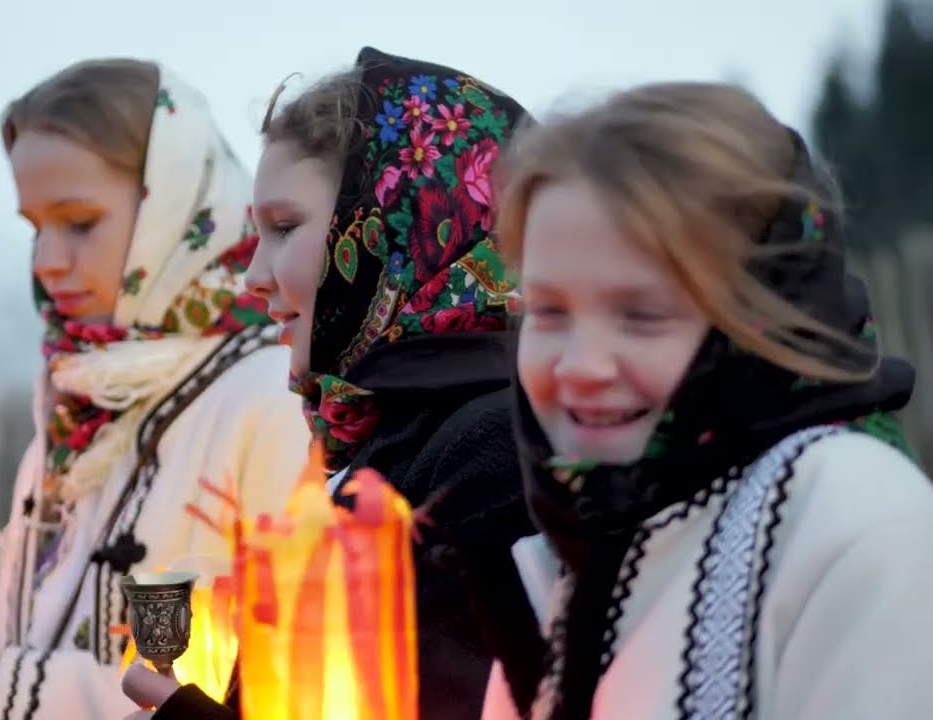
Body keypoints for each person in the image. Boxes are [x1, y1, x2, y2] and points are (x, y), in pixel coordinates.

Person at [0, 58, 311, 720]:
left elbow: (290, 689)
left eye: (78, 222)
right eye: (33, 226)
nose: (46, 259)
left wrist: (21, 689)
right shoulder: (77, 404)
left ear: (181, 204)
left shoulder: (275, 397)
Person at [481, 82, 933, 719]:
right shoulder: (568, 552)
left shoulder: (849, 526)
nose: (582, 366)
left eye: (641, 315)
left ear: (760, 319)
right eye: (549, 311)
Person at [123, 46, 542, 720]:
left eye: (285, 228)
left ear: (391, 229)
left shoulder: (491, 453)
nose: (254, 276)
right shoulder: (379, 446)